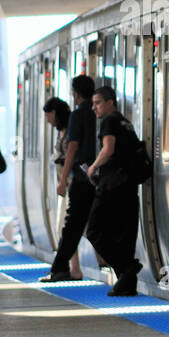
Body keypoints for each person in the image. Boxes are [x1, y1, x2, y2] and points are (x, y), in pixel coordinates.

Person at [85, 86, 143, 297]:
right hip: (129, 187)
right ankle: (127, 283)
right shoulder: (126, 123)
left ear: (111, 102)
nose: (94, 108)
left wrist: (93, 167)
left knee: (94, 230)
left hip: (111, 185)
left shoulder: (109, 121)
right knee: (123, 235)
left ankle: (128, 267)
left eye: (98, 103)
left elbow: (108, 149)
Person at [40, 76, 98, 282]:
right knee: (93, 226)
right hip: (99, 178)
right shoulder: (98, 113)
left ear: (75, 93)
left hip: (81, 180)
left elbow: (72, 148)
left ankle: (60, 269)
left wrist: (63, 179)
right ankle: (122, 268)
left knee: (71, 226)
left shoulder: (78, 114)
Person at [39, 96, 85, 280]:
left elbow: (70, 155)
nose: (48, 119)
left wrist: (63, 179)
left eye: (48, 114)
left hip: (69, 184)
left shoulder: (69, 132)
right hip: (64, 183)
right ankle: (72, 267)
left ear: (55, 113)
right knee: (64, 227)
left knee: (64, 227)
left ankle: (73, 269)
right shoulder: (62, 132)